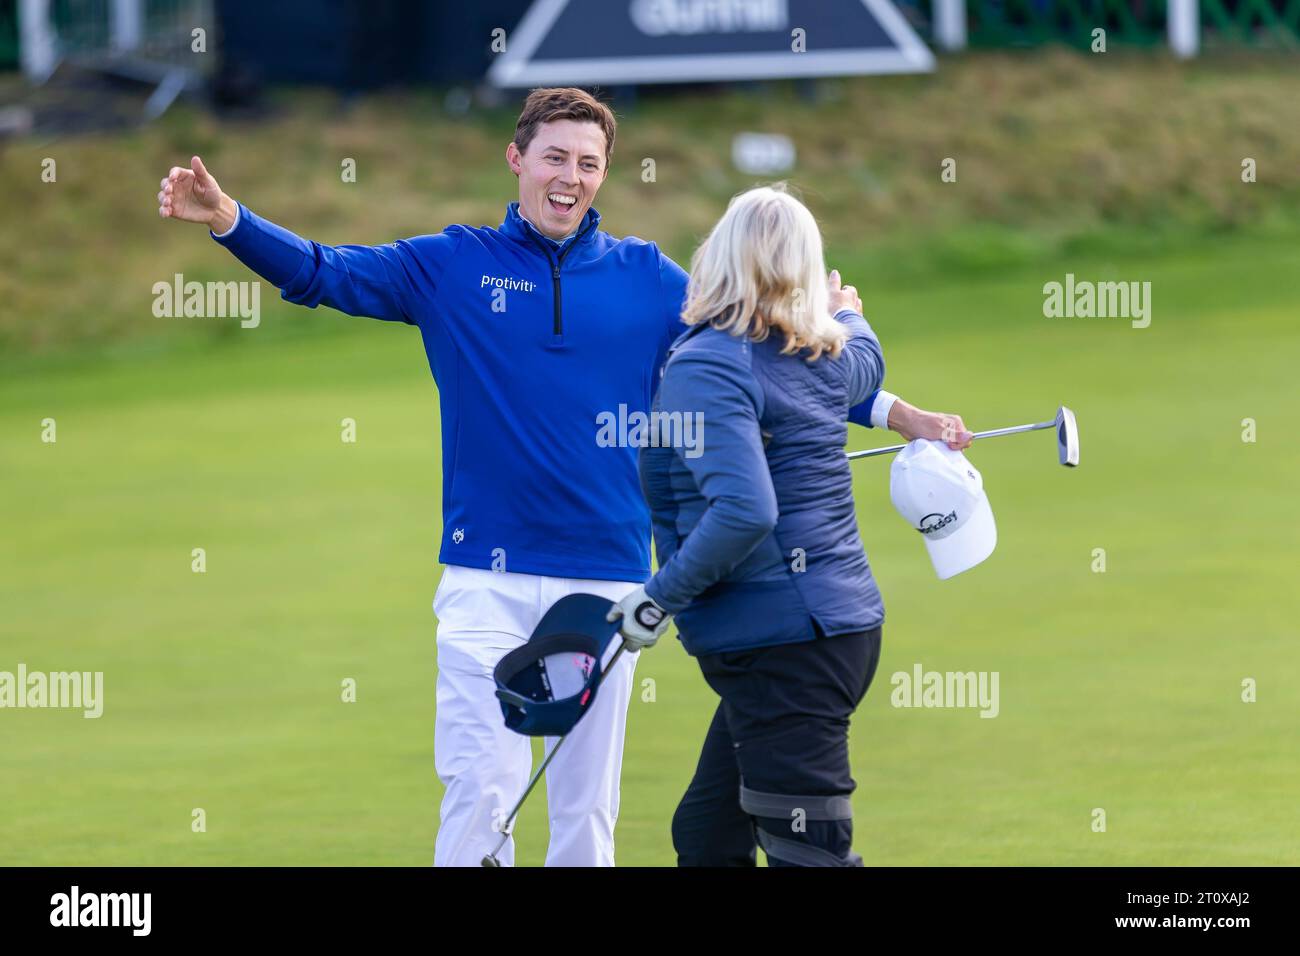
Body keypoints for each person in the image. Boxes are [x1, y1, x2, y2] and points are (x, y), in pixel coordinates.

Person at [158, 88, 968, 867]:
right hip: (485, 580)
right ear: (516, 159)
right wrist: (230, 221)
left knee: (585, 809)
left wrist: (902, 415)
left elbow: (771, 363)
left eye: (587, 162)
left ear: (603, 175)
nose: (569, 177)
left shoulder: (652, 281)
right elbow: (323, 273)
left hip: (608, 583)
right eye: (554, 158)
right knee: (482, 787)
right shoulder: (451, 266)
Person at [608, 184, 966, 866]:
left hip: (784, 646)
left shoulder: (709, 363)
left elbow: (746, 511)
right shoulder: (818, 348)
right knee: (708, 836)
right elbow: (867, 358)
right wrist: (845, 312)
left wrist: (658, 598)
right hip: (828, 635)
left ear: (718, 256)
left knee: (811, 855)